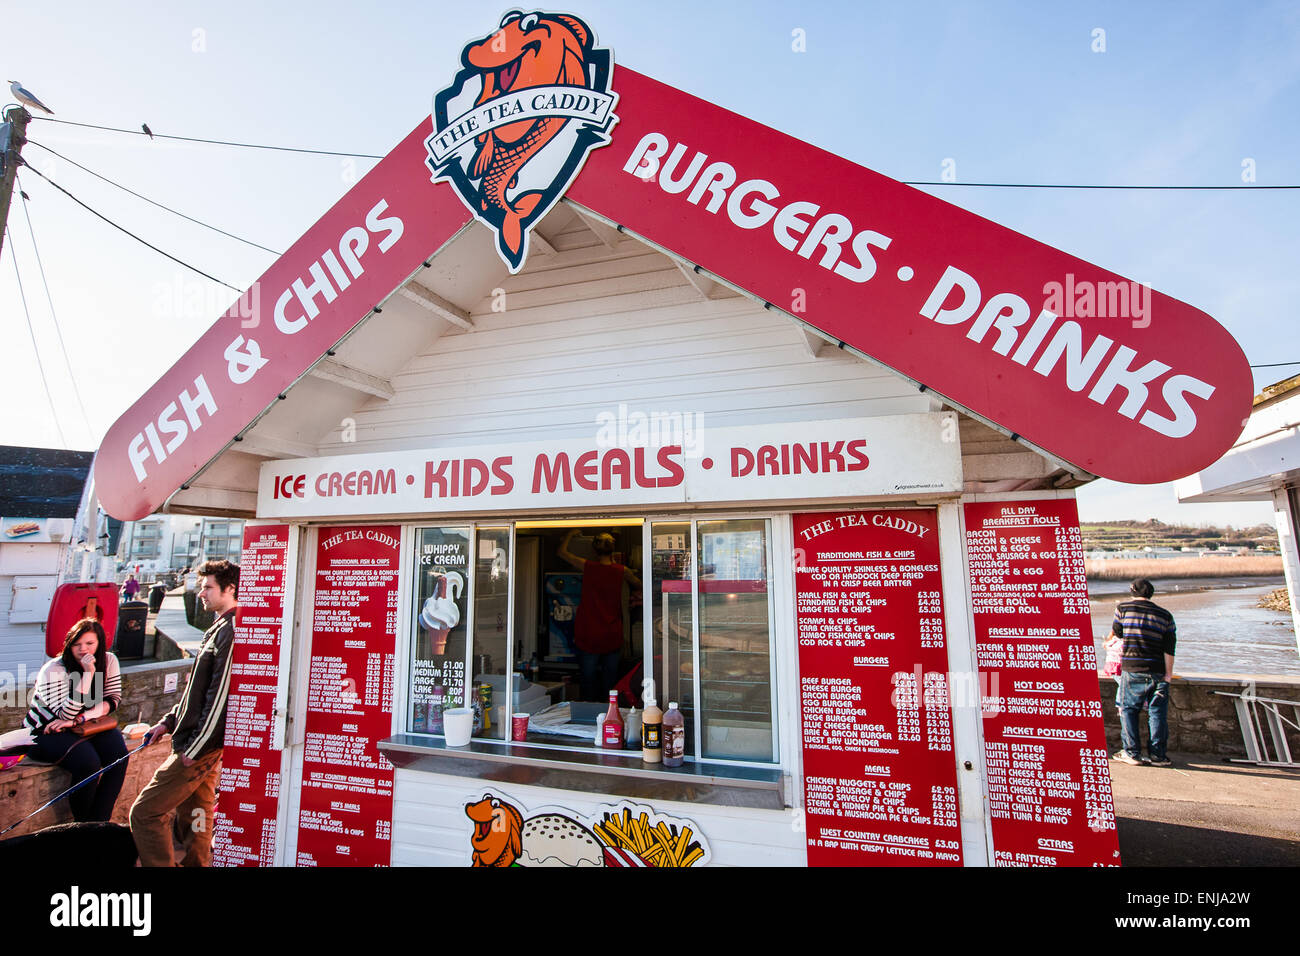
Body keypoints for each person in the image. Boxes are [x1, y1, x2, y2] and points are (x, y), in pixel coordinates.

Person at [129, 559, 239, 866]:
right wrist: (168, 722)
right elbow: (196, 691)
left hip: (197, 746)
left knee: (144, 813)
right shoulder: (220, 627)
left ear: (230, 589)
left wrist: (196, 748)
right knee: (197, 816)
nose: (201, 593)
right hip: (201, 745)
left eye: (208, 587)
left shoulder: (229, 631)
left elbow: (219, 697)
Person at [23, 618, 128, 822]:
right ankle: (83, 826)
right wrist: (88, 674)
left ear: (99, 643)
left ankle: (99, 822)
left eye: (89, 643)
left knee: (119, 756)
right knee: (88, 763)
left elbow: (113, 700)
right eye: (77, 644)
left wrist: (81, 719)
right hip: (45, 731)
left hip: (82, 724)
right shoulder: (54, 669)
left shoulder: (109, 661)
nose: (83, 649)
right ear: (69, 645)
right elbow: (65, 714)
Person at [558, 530, 640, 701]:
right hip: (612, 633)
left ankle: (588, 712)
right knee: (611, 683)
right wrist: (635, 596)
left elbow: (561, 553)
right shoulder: (622, 571)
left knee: (588, 681)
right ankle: (609, 713)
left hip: (589, 633)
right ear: (613, 549)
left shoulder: (587, 566)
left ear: (594, 549)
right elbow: (640, 584)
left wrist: (570, 534)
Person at [1110, 577, 1177, 767]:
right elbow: (1169, 648)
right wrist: (1168, 675)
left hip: (1132, 667)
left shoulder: (1123, 609)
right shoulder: (1165, 615)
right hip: (1158, 669)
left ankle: (1132, 753)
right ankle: (1158, 755)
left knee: (1128, 710)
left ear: (1132, 591)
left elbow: (1118, 632)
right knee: (1157, 713)